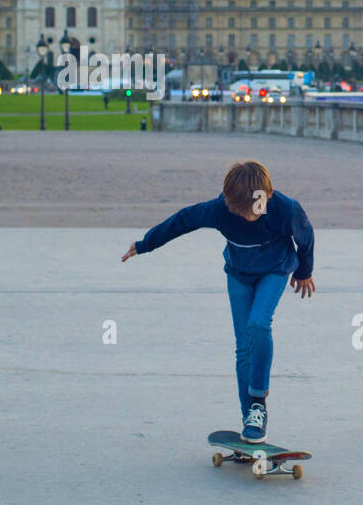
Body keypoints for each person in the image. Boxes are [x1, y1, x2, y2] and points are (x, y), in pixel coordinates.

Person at [121, 159, 314, 441]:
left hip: (274, 270)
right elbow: (182, 220)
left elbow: (306, 239)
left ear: (268, 196)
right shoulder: (220, 210)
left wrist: (304, 271)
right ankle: (251, 417)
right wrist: (144, 244)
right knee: (243, 347)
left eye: (255, 211)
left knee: (259, 323)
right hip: (238, 273)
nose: (249, 217)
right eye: (242, 212)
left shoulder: (286, 209)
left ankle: (258, 401)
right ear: (228, 201)